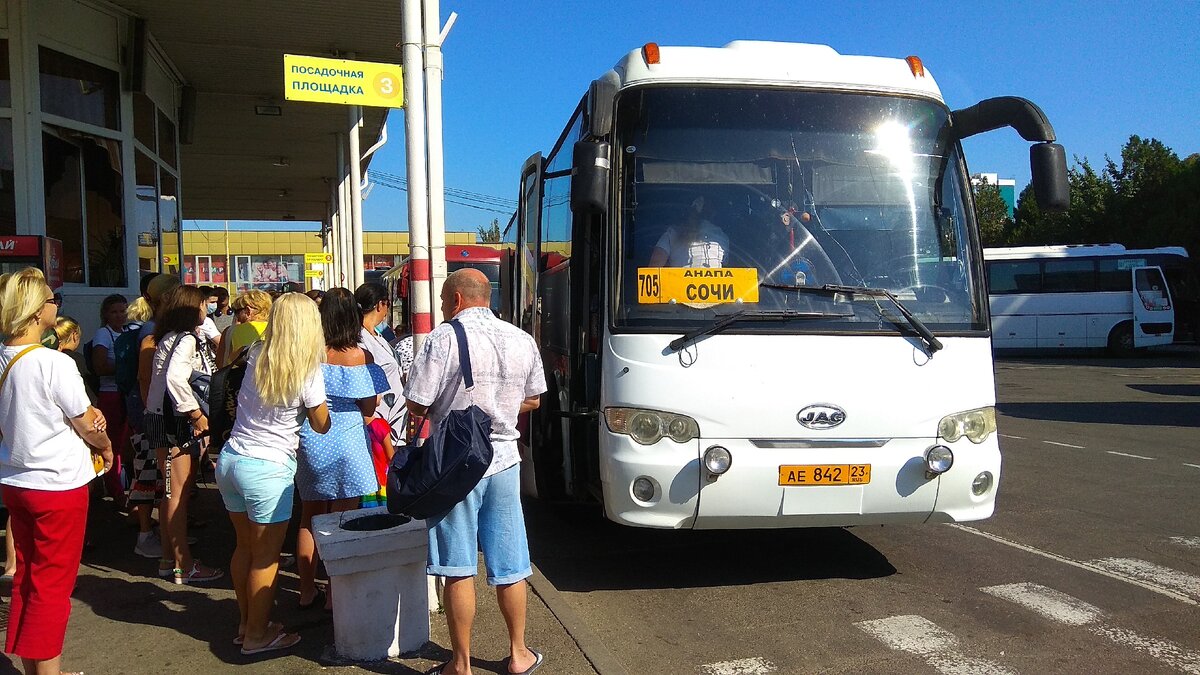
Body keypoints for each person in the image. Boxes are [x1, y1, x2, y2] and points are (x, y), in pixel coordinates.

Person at [404, 269, 548, 675]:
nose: (443, 307)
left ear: (458, 299)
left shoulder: (444, 338)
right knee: (511, 564)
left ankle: (461, 664)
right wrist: (497, 411)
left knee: (457, 565)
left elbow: (417, 403)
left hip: (455, 468)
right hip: (504, 461)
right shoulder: (522, 338)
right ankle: (519, 654)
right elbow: (534, 400)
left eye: (444, 300)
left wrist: (462, 412)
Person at [0, 267, 113, 675]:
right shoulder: (54, 363)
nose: (56, 305)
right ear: (34, 312)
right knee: (52, 587)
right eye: (52, 300)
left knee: (29, 578)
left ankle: (38, 666)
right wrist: (105, 445)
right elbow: (86, 422)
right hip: (56, 485)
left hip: (15, 479)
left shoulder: (2, 357)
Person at [215, 293, 330, 655]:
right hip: (268, 468)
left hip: (231, 459)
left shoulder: (254, 354)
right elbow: (321, 422)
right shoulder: (307, 367)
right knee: (266, 557)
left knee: (244, 548)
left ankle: (247, 622)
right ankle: (256, 635)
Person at [295, 288, 388, 611]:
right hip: (347, 438)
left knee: (309, 517)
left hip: (310, 438)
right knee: (341, 521)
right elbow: (369, 406)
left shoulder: (308, 353)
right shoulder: (360, 356)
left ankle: (306, 590)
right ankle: (336, 595)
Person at [145, 285, 222, 584]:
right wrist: (196, 414)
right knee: (177, 494)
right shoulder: (187, 338)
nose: (208, 309)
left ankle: (169, 559)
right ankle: (184, 565)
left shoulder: (168, 336)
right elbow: (176, 378)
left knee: (168, 494)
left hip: (159, 417)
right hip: (175, 423)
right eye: (205, 304)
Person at [89, 294, 129, 509]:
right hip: (110, 395)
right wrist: (127, 368)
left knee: (124, 445)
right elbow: (100, 366)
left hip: (125, 394)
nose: (119, 316)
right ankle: (115, 490)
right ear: (105, 314)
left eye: (123, 311)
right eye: (114, 311)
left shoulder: (127, 332)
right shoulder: (103, 334)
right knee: (111, 444)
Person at [356, 283, 406, 444]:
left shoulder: (378, 335)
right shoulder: (361, 339)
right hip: (379, 422)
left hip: (393, 419)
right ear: (380, 305)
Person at [647, 195, 729, 268]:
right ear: (713, 213)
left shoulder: (672, 233)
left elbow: (654, 269)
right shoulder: (722, 236)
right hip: (714, 284)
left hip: (678, 284)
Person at [219, 290, 271, 367]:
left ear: (248, 311)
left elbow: (220, 363)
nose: (236, 316)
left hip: (237, 378)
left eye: (237, 312)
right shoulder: (275, 329)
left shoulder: (230, 331)